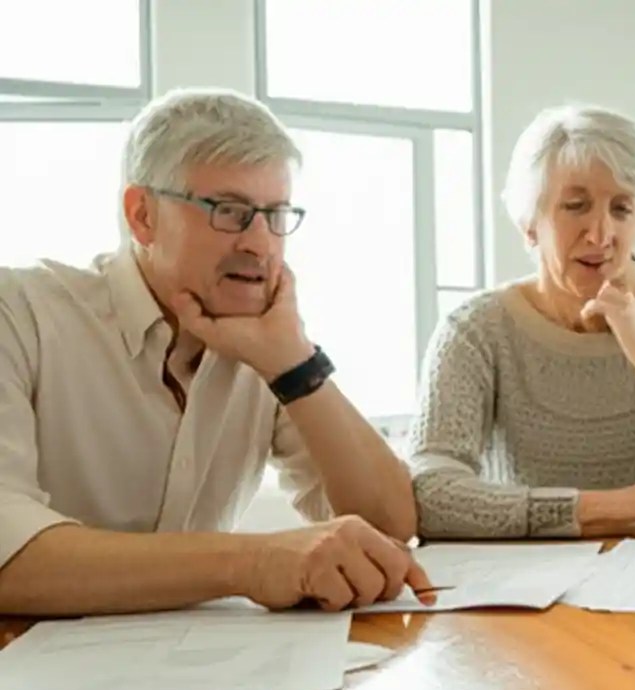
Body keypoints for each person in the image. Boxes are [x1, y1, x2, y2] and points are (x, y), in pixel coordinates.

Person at [0, 88, 432, 617]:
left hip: (195, 675)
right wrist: (250, 563)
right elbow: (10, 559)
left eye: (276, 214)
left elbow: (389, 528)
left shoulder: (264, 347)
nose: (260, 244)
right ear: (142, 216)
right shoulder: (20, 315)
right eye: (230, 211)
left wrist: (295, 364)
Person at [409, 104, 635, 538]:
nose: (600, 235)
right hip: (525, 588)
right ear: (529, 225)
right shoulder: (475, 331)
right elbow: (430, 494)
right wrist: (603, 508)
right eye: (575, 206)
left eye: (621, 209)